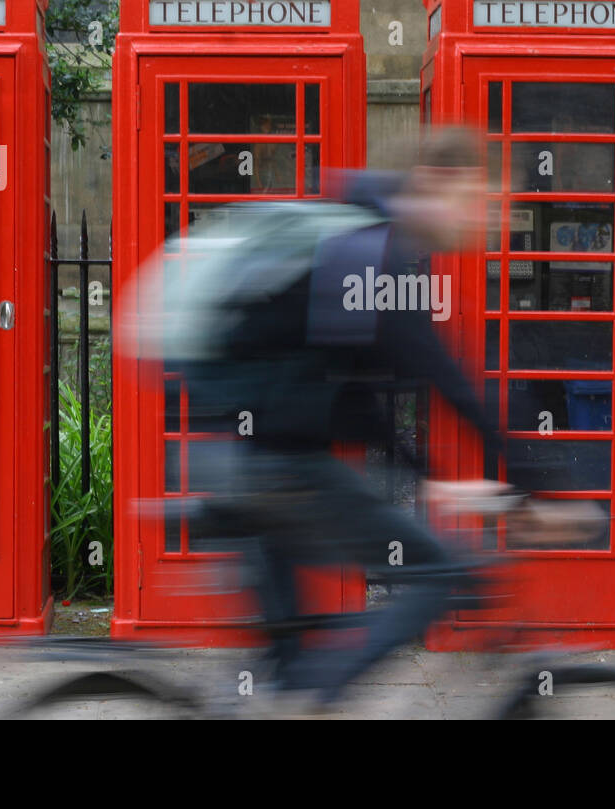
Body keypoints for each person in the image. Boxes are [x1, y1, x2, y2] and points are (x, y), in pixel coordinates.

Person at [205, 126, 509, 706]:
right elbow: (447, 379)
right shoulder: (383, 252)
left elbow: (356, 400)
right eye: (478, 199)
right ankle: (320, 695)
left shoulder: (359, 231)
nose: (483, 219)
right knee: (438, 572)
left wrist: (429, 475)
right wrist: (529, 484)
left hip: (234, 447)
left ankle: (291, 690)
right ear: (439, 185)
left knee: (286, 664)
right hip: (274, 463)